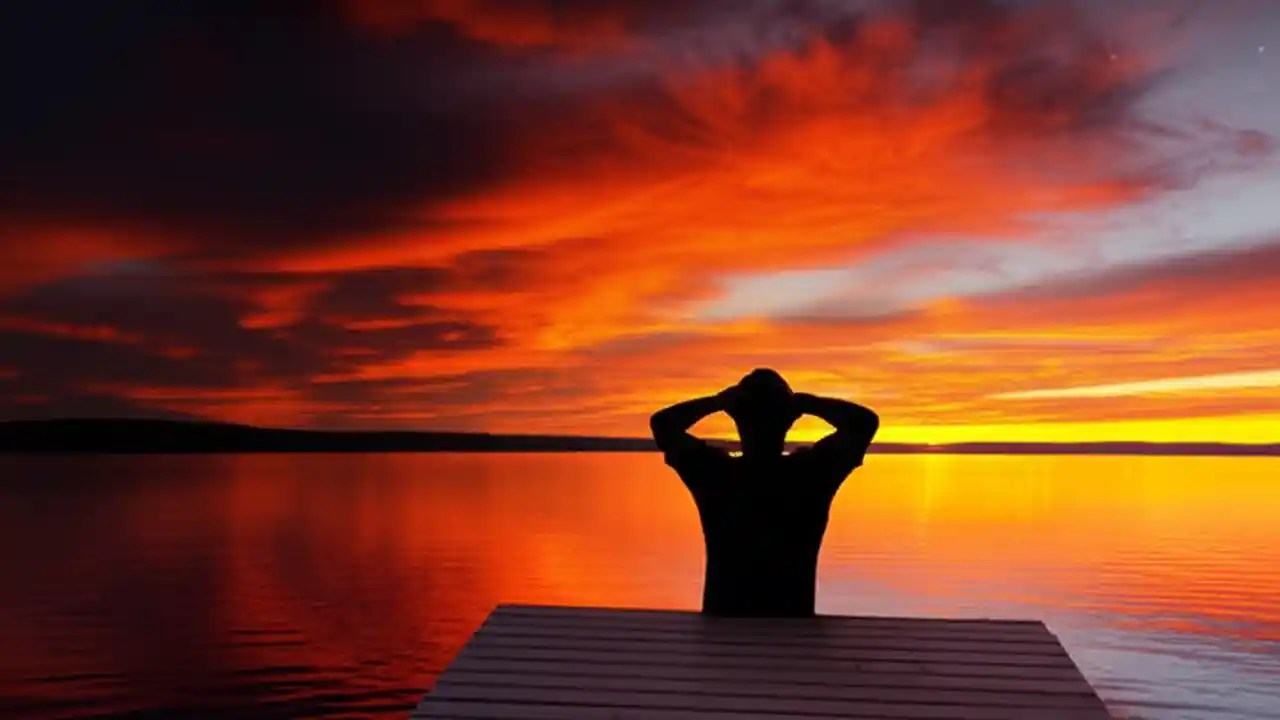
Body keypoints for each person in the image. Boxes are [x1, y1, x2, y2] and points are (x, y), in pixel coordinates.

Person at [650, 368, 879, 617]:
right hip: (792, 622)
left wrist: (718, 401)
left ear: (736, 416)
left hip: (723, 621)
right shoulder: (812, 474)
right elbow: (864, 423)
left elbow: (663, 424)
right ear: (789, 419)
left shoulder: (714, 472)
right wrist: (806, 403)